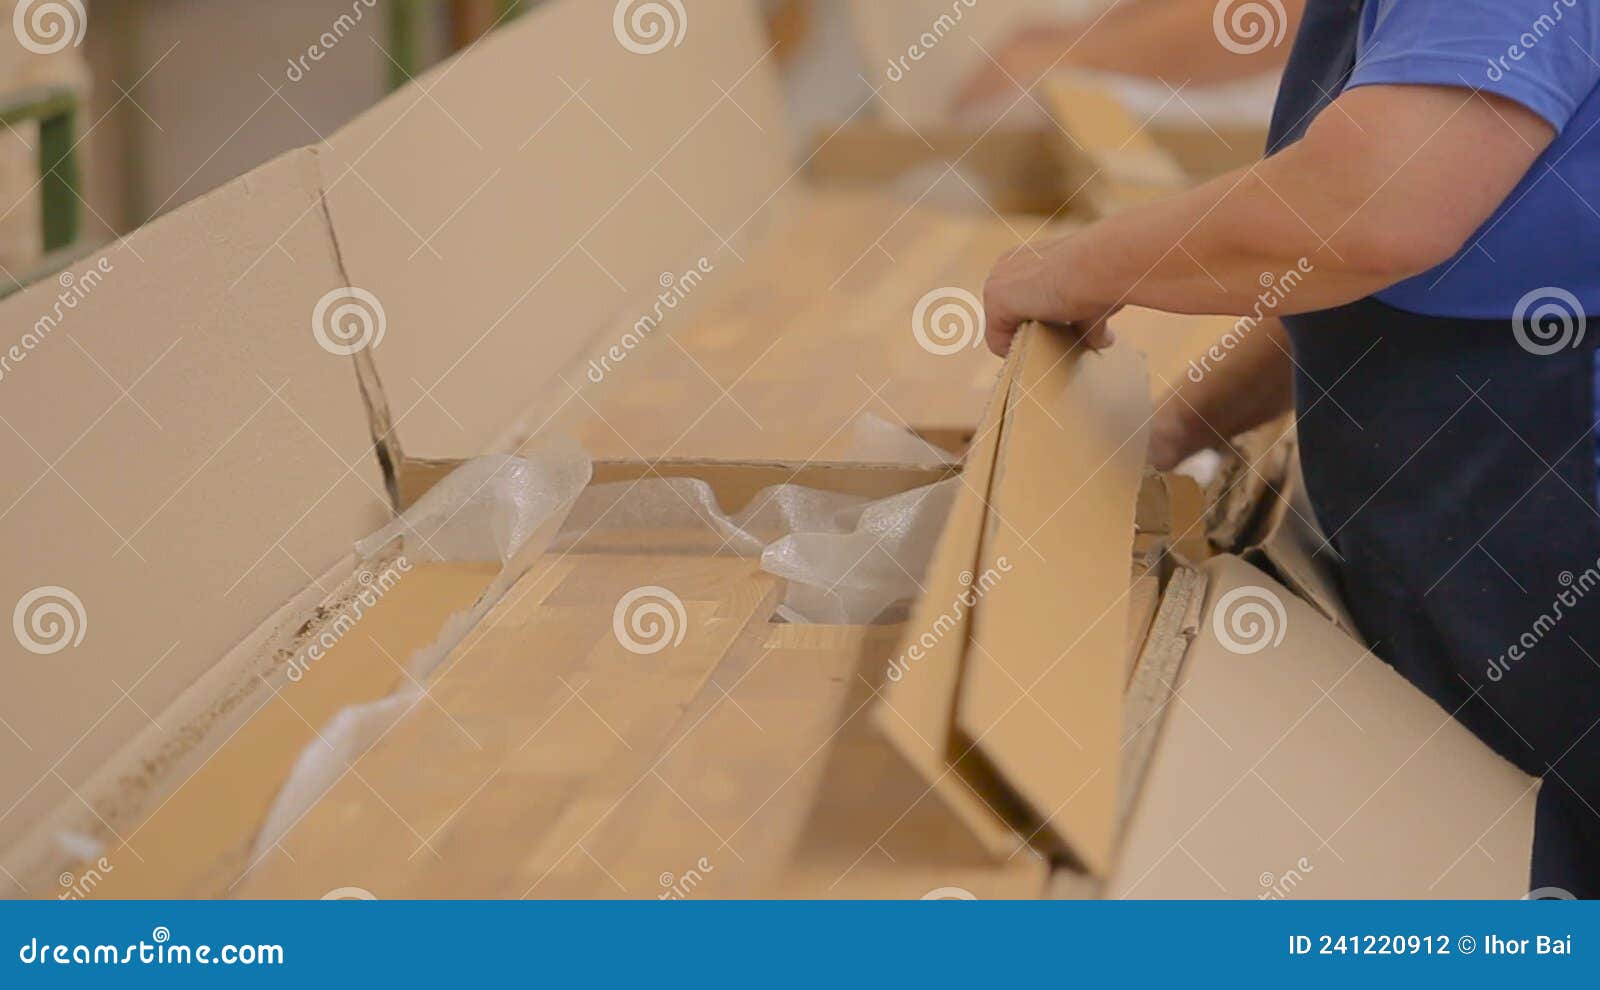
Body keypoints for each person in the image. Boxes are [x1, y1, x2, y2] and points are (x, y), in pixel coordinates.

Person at [978, 0, 1600, 895]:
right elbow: (1364, 265)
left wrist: (1072, 268)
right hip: (1478, 527)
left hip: (1549, 512)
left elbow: (1379, 206)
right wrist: (1181, 424)